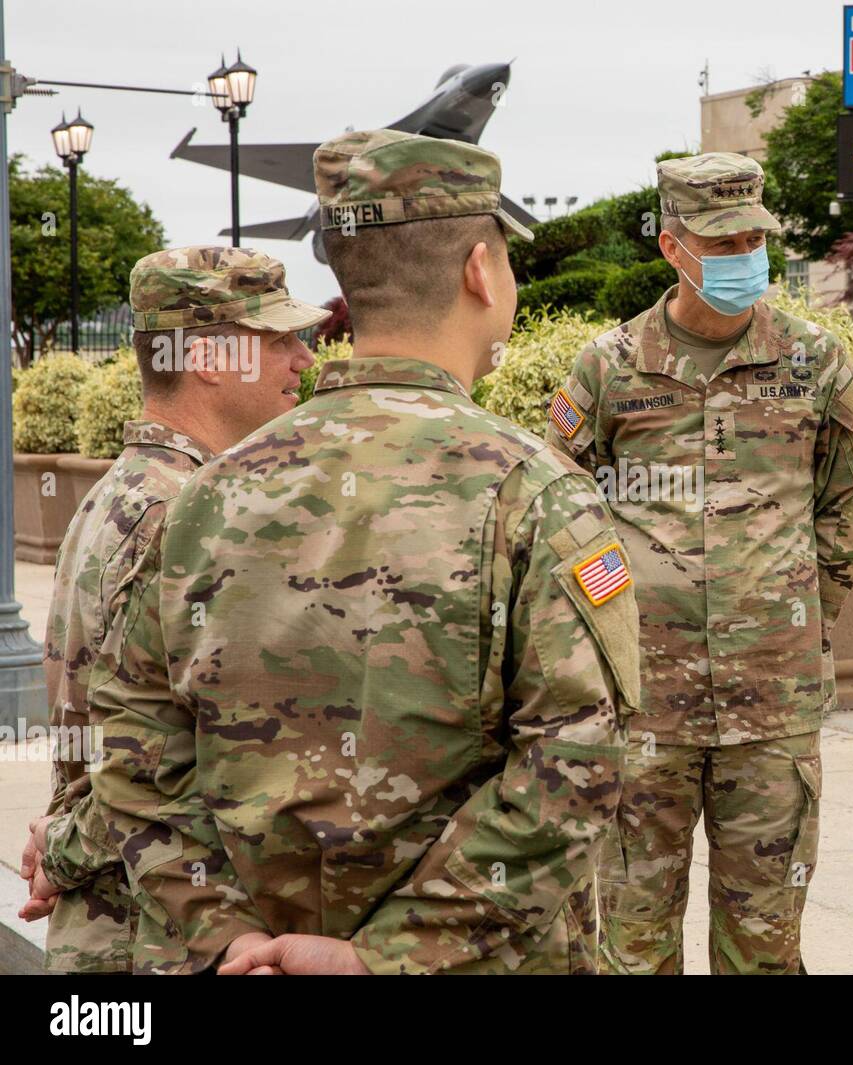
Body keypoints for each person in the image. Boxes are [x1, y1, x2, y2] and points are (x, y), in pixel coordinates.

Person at [89, 129, 640, 974]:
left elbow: (132, 750)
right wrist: (380, 957)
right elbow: (579, 763)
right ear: (480, 272)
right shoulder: (536, 494)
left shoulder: (201, 496)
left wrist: (226, 931)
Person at [546, 152, 853, 974]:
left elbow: (844, 504)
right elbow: (563, 514)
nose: (742, 259)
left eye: (752, 240)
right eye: (720, 242)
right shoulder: (611, 367)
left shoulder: (816, 362)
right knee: (632, 943)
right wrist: (614, 623)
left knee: (765, 946)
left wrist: (800, 614)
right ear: (672, 247)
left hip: (773, 709)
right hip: (642, 712)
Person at [18, 246, 326, 973]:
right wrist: (61, 846)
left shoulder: (120, 491)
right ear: (211, 358)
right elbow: (151, 758)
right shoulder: (185, 511)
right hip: (151, 931)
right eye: (278, 338)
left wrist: (58, 837)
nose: (304, 360)